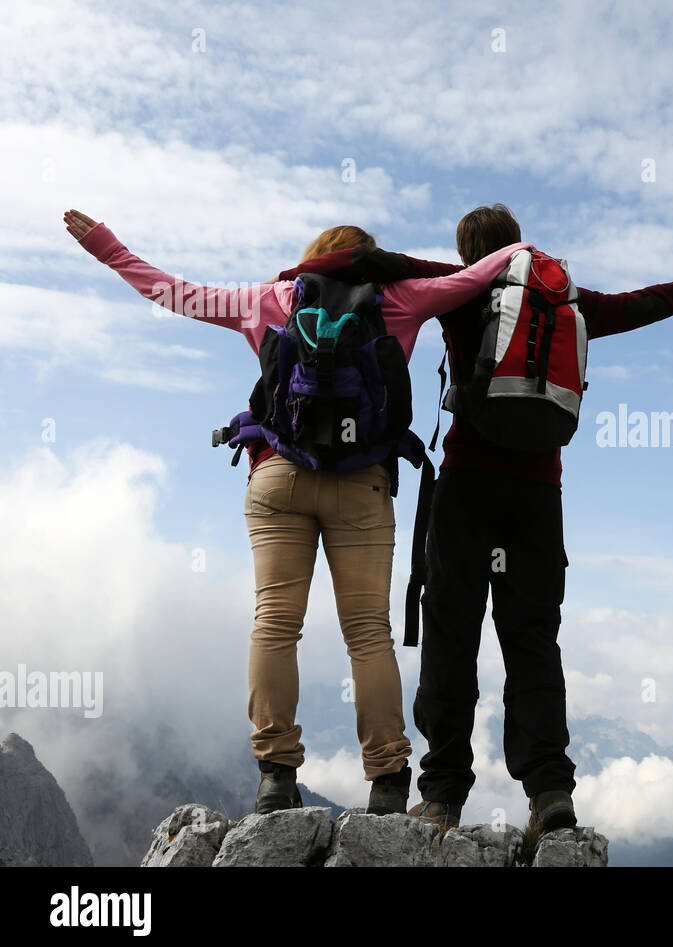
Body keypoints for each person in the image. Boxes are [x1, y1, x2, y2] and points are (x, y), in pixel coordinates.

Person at [279, 204, 673, 844]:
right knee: (532, 640)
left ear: (470, 253)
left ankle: (441, 796)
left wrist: (303, 271)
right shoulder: (568, 301)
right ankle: (550, 793)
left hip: (468, 489)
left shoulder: (460, 289)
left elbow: (368, 264)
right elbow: (643, 305)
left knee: (451, 634)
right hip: (536, 495)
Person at [63, 209, 529, 814]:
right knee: (367, 633)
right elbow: (474, 280)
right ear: (371, 261)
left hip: (279, 479)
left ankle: (276, 774)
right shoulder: (402, 297)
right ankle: (388, 780)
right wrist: (522, 251)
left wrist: (105, 246)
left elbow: (170, 291)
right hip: (361, 484)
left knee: (276, 624)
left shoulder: (266, 299)